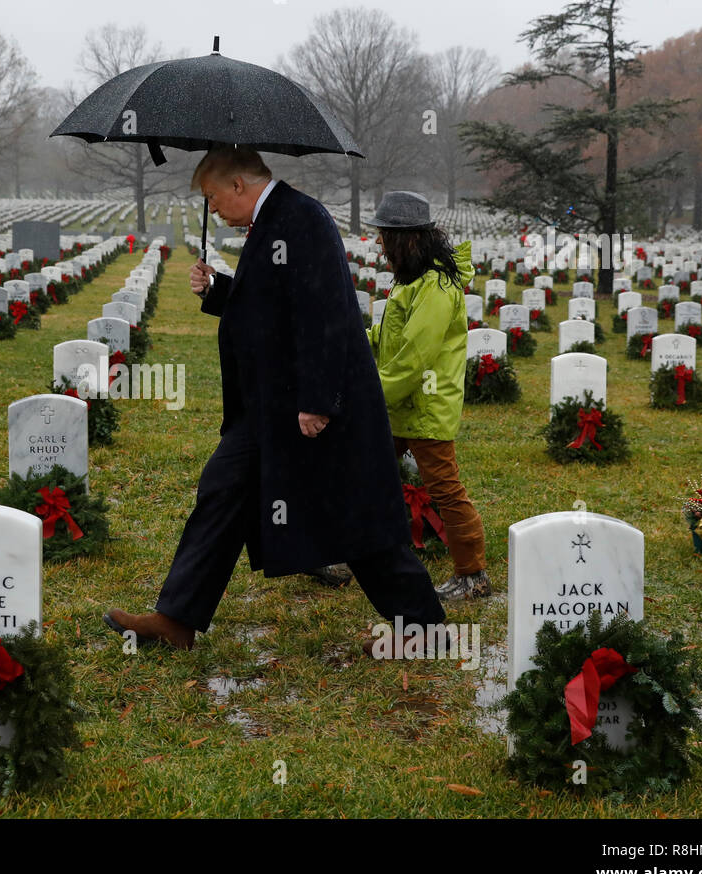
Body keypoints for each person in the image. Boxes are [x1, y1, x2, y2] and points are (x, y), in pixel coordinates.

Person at [104, 147, 446, 655]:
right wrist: (219, 290)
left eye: (213, 197)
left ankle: (424, 628)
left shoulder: (301, 219)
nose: (213, 208)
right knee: (221, 491)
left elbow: (326, 312)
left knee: (357, 516)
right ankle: (177, 618)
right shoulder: (272, 221)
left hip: (310, 402)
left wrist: (318, 398)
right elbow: (272, 303)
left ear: (239, 186)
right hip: (267, 407)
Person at [365, 191, 490, 600]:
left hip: (424, 406)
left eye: (385, 237)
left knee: (445, 489)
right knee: (364, 473)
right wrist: (352, 342)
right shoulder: (414, 280)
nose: (381, 246)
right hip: (403, 405)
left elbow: (415, 356)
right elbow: (390, 340)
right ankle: (358, 551)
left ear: (409, 239)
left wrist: (370, 392)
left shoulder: (435, 286)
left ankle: (472, 575)